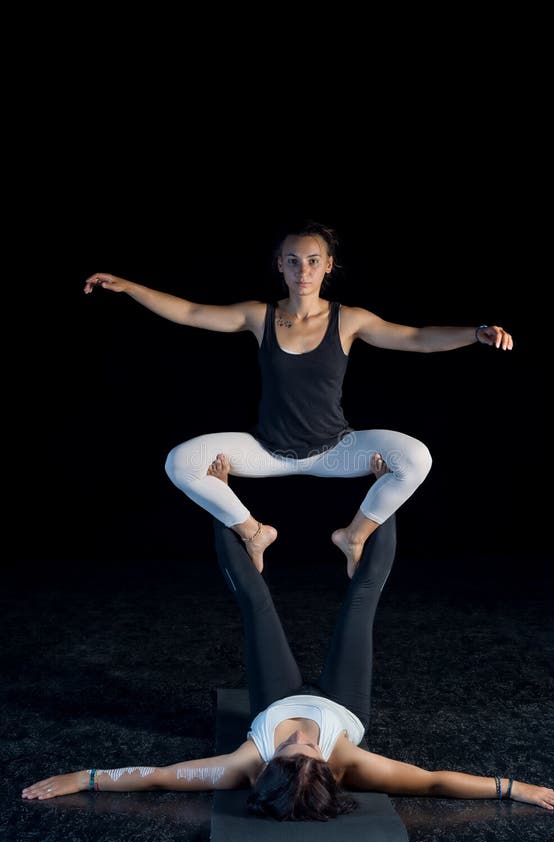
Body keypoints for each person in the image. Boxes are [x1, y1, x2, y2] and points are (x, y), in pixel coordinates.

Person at [22, 457, 554, 819]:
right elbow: (432, 784)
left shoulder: (244, 764)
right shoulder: (351, 763)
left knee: (254, 603)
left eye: (290, 749)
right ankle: (381, 493)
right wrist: (513, 788)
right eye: (309, 749)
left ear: (267, 767)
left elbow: (154, 779)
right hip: (344, 703)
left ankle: (226, 502)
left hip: (275, 698)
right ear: (328, 767)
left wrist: (84, 777)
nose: (298, 741)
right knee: (361, 604)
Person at [83, 222, 513, 577]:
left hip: (336, 452)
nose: (302, 270)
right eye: (292, 261)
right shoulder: (260, 315)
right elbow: (192, 313)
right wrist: (131, 287)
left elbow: (417, 339)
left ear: (328, 266)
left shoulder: (349, 319)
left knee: (415, 457)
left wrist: (474, 333)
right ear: (280, 266)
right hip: (266, 450)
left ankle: (354, 535)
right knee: (180, 462)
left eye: (311, 261)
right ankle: (254, 532)